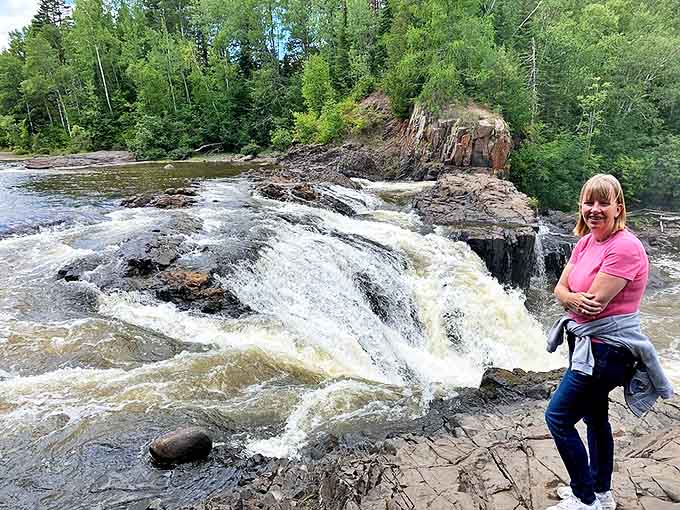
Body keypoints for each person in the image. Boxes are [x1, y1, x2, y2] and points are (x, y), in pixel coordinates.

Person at [544, 174, 674, 510]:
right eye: (589, 202)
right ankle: (600, 491)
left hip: (608, 349)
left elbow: (593, 305)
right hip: (590, 345)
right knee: (595, 416)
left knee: (557, 417)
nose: (595, 209)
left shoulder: (625, 246)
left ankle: (585, 498)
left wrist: (569, 298)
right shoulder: (587, 242)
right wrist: (571, 298)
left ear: (619, 207)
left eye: (604, 202)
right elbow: (561, 291)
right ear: (581, 206)